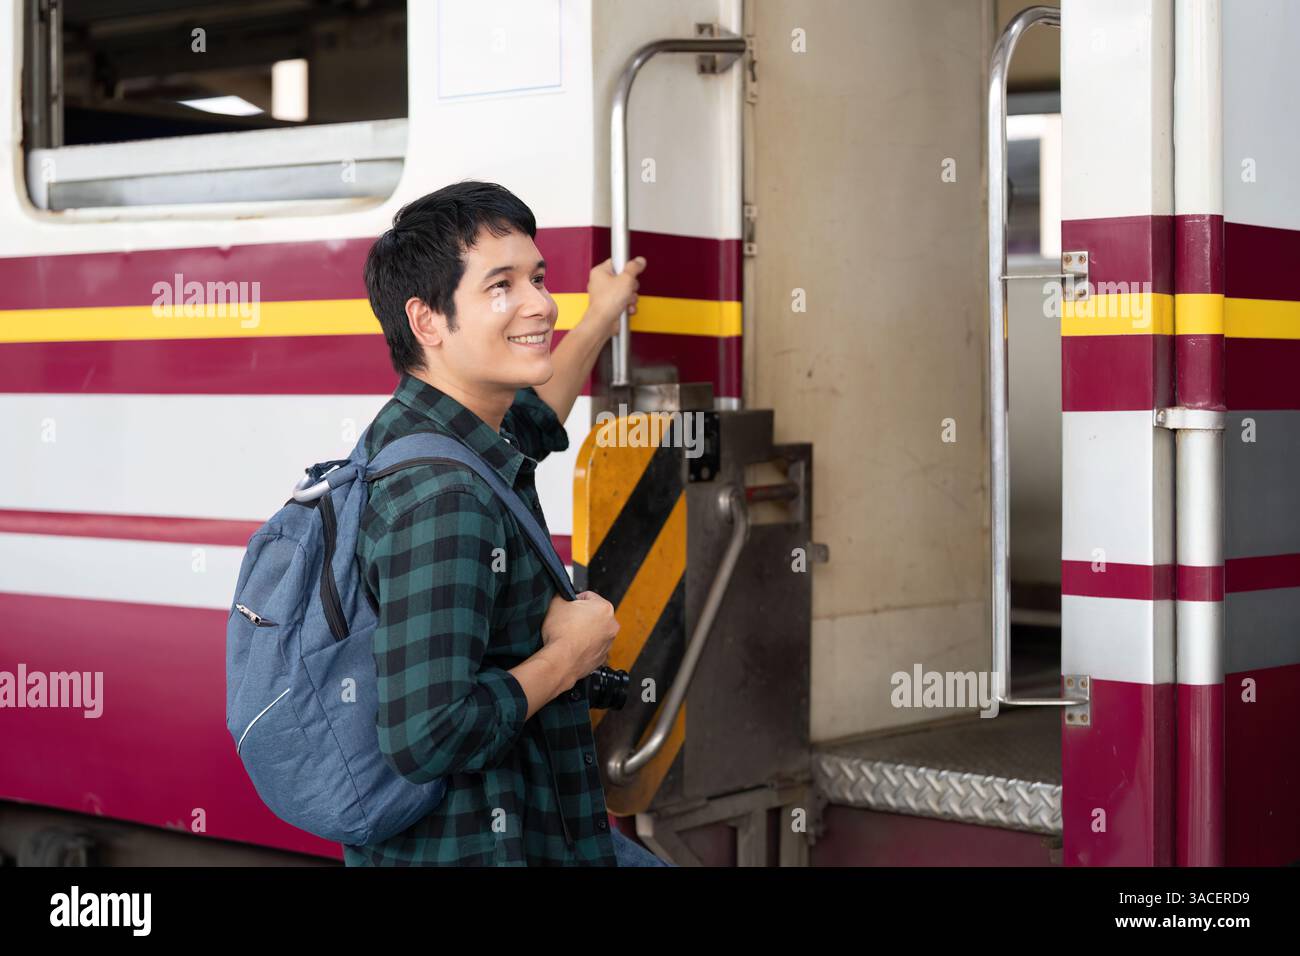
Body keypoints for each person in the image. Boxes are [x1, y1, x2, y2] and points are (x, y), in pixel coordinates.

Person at [344, 180, 671, 866]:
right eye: (502, 286)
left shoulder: (433, 429)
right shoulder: (443, 495)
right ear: (427, 322)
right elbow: (427, 736)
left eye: (539, 277)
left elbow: (538, 416)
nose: (542, 303)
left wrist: (601, 315)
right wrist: (569, 658)